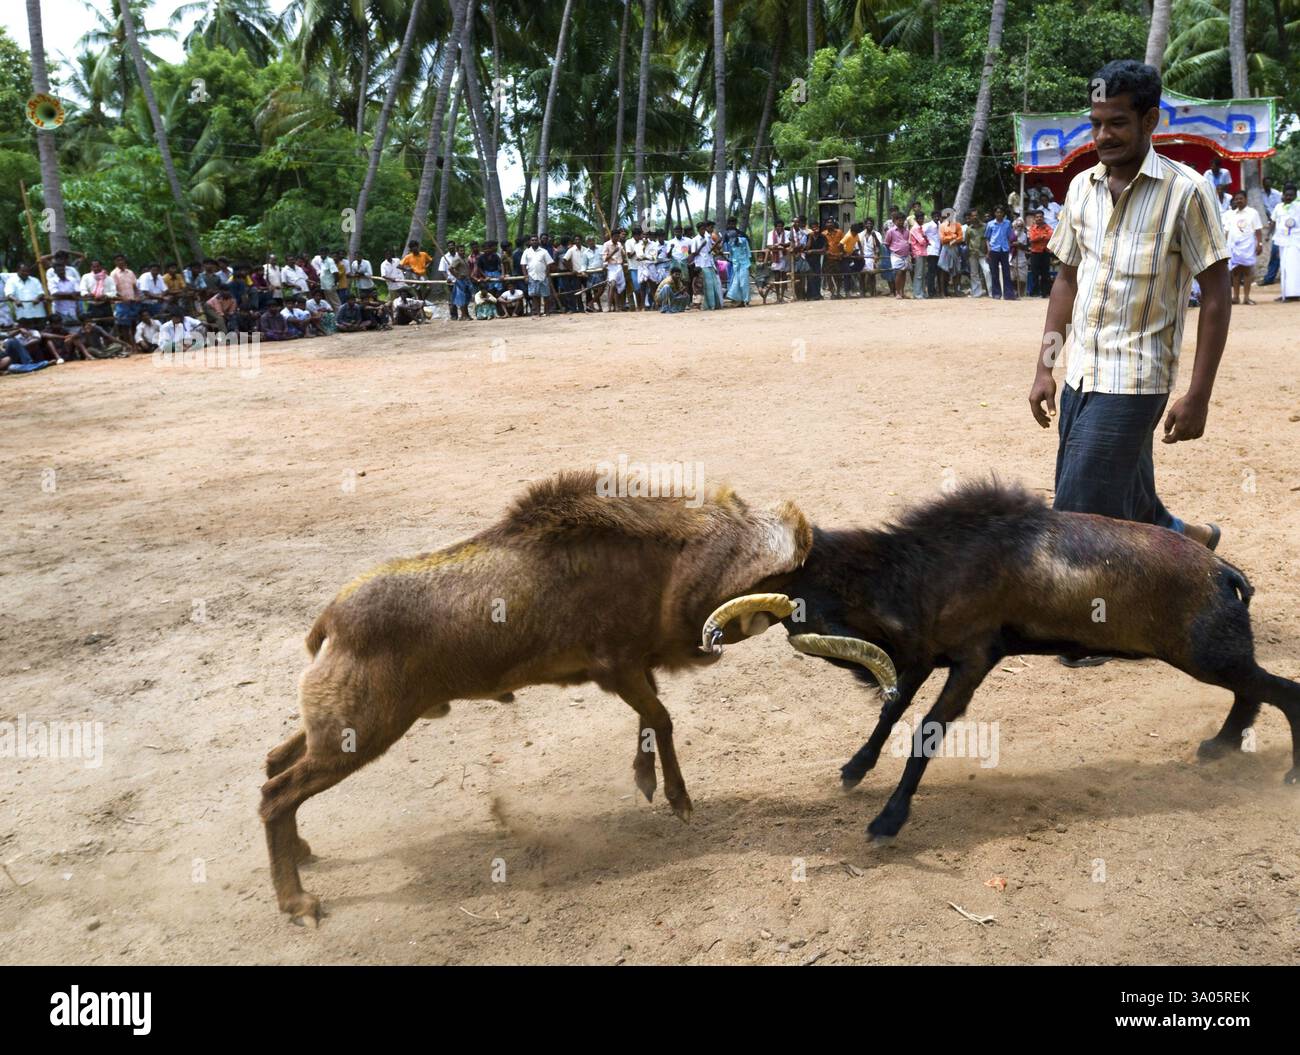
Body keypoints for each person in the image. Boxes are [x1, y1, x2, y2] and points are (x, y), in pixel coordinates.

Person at [1029, 59, 1230, 672]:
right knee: (1129, 504)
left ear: (1149, 120)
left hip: (1137, 378)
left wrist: (1198, 395)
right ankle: (1192, 547)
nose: (1103, 135)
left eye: (1117, 123)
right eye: (1095, 123)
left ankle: (1095, 629)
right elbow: (1065, 278)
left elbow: (1216, 293)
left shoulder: (1185, 193)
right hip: (1083, 374)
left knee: (1080, 510)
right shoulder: (1082, 190)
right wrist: (1046, 367)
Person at [1222, 191, 1263, 306]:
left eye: (1241, 198)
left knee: (1247, 272)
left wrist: (1259, 244)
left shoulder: (1253, 213)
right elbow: (1227, 231)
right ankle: (1235, 297)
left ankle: (1246, 297)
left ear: (1246, 199)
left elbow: (1258, 229)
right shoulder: (1231, 214)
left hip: (1248, 247)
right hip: (1234, 247)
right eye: (1236, 199)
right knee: (1235, 272)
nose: (1238, 201)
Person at [1269, 181, 1300, 302]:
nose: (1288, 197)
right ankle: (1285, 293)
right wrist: (1268, 235)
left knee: (1294, 267)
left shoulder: (1298, 207)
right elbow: (1273, 222)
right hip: (1282, 241)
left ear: (1295, 195)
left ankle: (1295, 293)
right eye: (1287, 195)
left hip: (1295, 242)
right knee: (1284, 267)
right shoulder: (1278, 207)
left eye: (1291, 195)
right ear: (1283, 194)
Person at [985, 206, 1015, 300]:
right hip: (994, 249)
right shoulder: (990, 224)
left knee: (1006, 272)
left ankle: (1008, 294)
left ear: (1003, 213)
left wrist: (1010, 246)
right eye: (997, 212)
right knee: (994, 273)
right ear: (995, 214)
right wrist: (988, 249)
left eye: (1001, 212)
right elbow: (987, 238)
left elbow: (1010, 236)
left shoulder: (1007, 223)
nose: (999, 214)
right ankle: (996, 293)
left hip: (1004, 249)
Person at [520, 235, 554, 318]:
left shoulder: (544, 251)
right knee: (535, 296)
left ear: (538, 241)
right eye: (532, 240)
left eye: (536, 240)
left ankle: (547, 312)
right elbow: (523, 265)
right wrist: (526, 276)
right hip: (532, 276)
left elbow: (549, 263)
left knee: (546, 295)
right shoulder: (526, 252)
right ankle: (538, 313)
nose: (534, 241)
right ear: (530, 242)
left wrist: (547, 273)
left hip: (543, 276)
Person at [693, 221, 724, 310]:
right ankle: (708, 305)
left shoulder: (708, 237)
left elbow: (711, 249)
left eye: (704, 229)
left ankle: (714, 304)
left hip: (710, 263)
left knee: (714, 284)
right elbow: (694, 253)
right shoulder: (695, 240)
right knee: (707, 285)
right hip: (701, 264)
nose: (703, 230)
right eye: (701, 229)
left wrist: (718, 244)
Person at [1259, 176, 1283, 285]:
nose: (1267, 185)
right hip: (1266, 221)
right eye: (1265, 183)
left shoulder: (1277, 194)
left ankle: (1273, 276)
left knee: (1276, 251)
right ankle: (1270, 276)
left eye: (1269, 183)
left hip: (1278, 223)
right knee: (1272, 252)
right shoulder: (1259, 194)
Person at [1026, 210, 1054, 298]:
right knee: (1035, 273)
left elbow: (1050, 236)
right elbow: (1032, 238)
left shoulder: (1048, 227)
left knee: (1045, 273)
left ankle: (1044, 293)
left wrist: (1039, 236)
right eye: (1037, 217)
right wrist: (1042, 236)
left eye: (1040, 217)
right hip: (1035, 253)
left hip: (1045, 252)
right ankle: (1035, 292)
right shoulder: (1032, 228)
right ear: (1035, 218)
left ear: (1043, 217)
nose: (1039, 218)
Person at [883, 212, 910, 299]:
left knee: (904, 273)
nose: (901, 222)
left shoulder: (907, 231)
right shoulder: (890, 231)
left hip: (905, 255)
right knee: (898, 273)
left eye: (902, 220)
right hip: (896, 255)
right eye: (899, 220)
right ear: (894, 221)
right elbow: (886, 243)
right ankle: (897, 293)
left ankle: (902, 292)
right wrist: (892, 251)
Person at [724, 221, 752, 305]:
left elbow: (748, 253)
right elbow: (731, 255)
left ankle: (746, 300)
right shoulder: (730, 243)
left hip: (744, 264)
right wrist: (731, 261)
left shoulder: (743, 241)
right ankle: (739, 300)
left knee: (744, 283)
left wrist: (749, 265)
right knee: (736, 282)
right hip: (736, 265)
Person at [937, 210, 963, 297]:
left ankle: (956, 291)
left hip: (954, 248)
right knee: (943, 271)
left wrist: (953, 239)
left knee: (956, 271)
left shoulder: (957, 225)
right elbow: (942, 239)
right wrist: (953, 236)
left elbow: (961, 237)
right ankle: (942, 292)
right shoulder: (942, 226)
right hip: (945, 249)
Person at [601, 227, 628, 311]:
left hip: (619, 266)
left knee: (619, 287)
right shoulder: (606, 244)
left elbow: (624, 255)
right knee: (612, 285)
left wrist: (622, 251)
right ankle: (608, 306)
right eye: (615, 237)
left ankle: (617, 307)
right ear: (611, 236)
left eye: (618, 237)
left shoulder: (619, 244)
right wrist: (613, 252)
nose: (617, 238)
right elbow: (605, 258)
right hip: (611, 267)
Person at [964, 209, 987, 298]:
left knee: (987, 271)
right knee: (974, 274)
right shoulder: (969, 229)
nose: (975, 217)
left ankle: (990, 291)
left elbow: (987, 239)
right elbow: (967, 241)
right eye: (973, 215)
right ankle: (977, 292)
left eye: (976, 215)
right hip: (972, 253)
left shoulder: (985, 226)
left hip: (983, 253)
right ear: (970, 217)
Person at [766, 220, 790, 302]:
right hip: (775, 257)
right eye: (778, 226)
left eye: (781, 226)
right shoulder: (770, 234)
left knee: (784, 277)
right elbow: (769, 245)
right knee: (776, 277)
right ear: (775, 227)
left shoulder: (787, 233)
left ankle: (782, 296)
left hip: (785, 256)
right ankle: (777, 297)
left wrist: (780, 245)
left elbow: (788, 243)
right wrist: (777, 246)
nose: (779, 228)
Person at [908, 210, 928, 299]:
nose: (921, 220)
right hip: (917, 253)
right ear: (916, 219)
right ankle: (917, 293)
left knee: (923, 274)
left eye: (922, 218)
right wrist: (925, 239)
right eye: (919, 218)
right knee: (919, 274)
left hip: (923, 252)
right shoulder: (915, 228)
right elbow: (922, 241)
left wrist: (925, 239)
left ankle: (922, 292)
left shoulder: (921, 228)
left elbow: (927, 241)